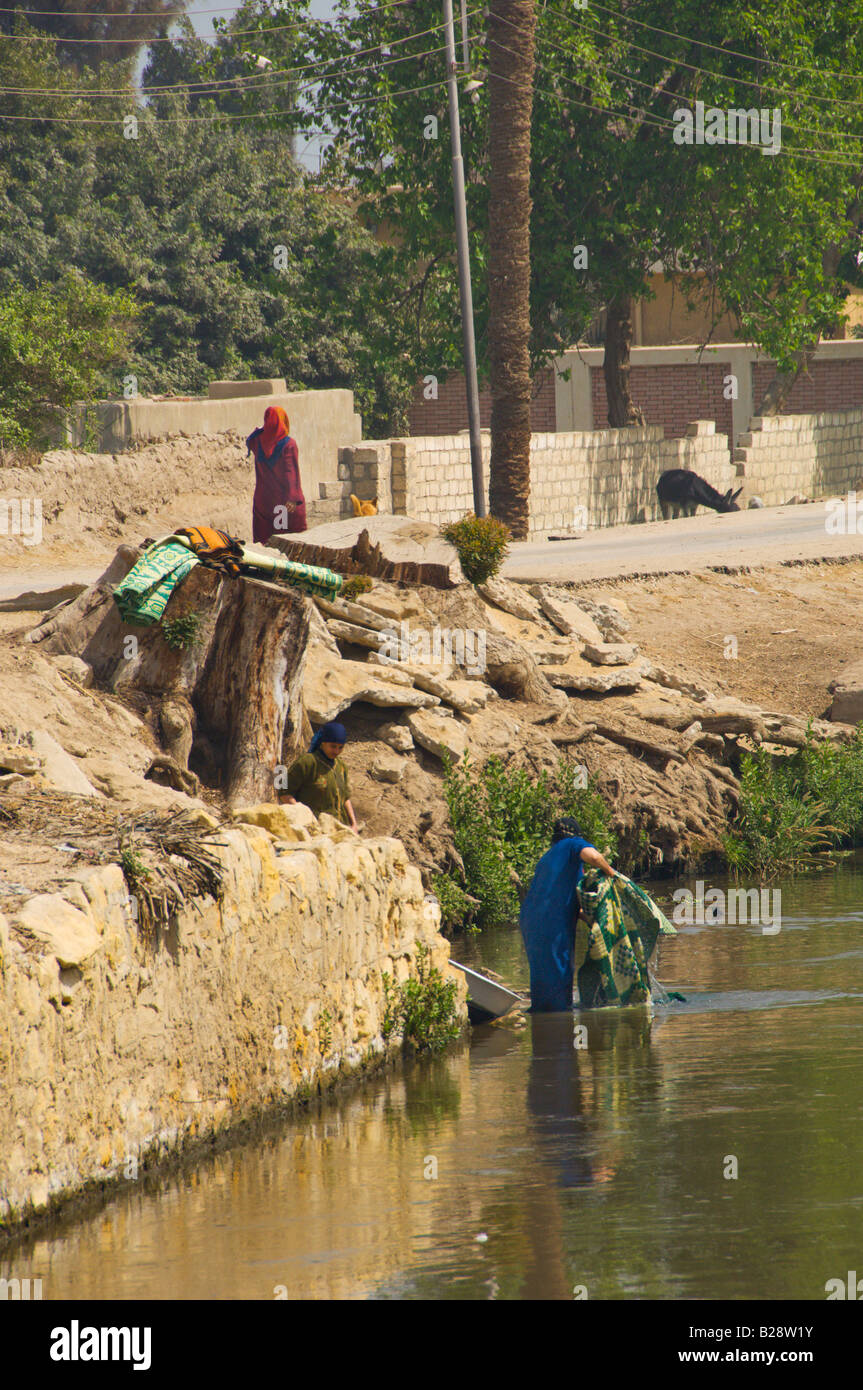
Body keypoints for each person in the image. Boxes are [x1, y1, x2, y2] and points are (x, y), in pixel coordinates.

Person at [519, 817, 617, 1012]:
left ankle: (543, 1015)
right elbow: (595, 857)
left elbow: (568, 901)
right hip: (552, 919)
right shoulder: (572, 844)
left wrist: (592, 921)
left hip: (530, 918)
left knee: (543, 970)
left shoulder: (548, 857)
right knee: (560, 969)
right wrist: (611, 873)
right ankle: (558, 1019)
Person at [280, 721, 359, 833]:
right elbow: (284, 792)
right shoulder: (307, 762)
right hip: (314, 829)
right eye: (333, 746)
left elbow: (345, 798)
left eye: (340, 747)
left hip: (340, 829)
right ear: (323, 743)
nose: (336, 751)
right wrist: (305, 817)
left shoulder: (341, 767)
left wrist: (353, 824)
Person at [246, 405, 307, 544]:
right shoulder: (288, 445)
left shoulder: (256, 441)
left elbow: (253, 436)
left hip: (263, 503)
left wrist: (263, 429)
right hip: (282, 505)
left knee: (264, 541)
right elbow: (291, 472)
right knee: (283, 541)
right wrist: (293, 498)